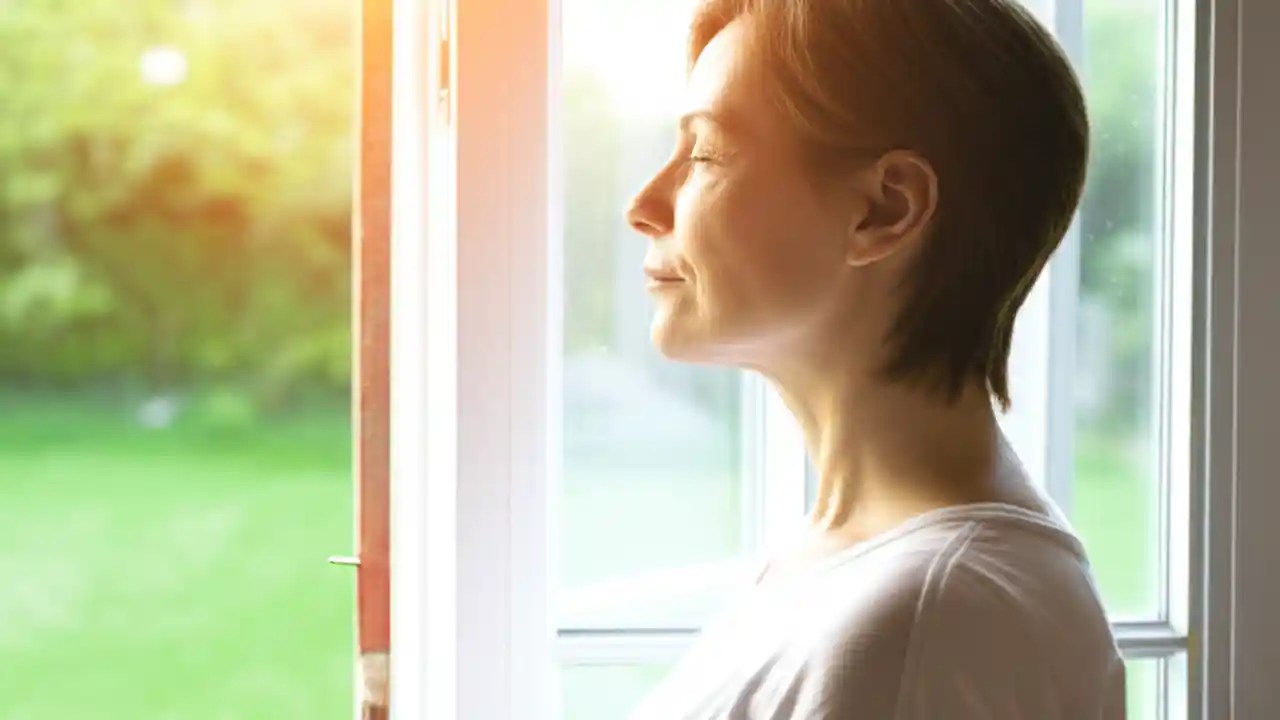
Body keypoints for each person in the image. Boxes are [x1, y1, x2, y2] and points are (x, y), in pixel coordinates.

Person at [622, 0, 1125, 717]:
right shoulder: (857, 571)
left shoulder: (930, 621)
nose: (643, 204)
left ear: (885, 209)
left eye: (704, 153)